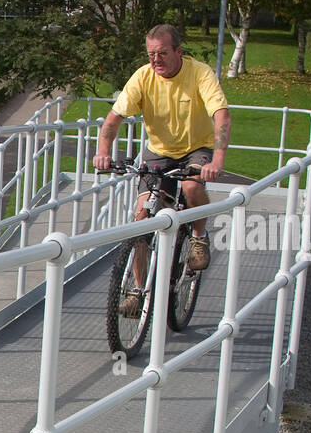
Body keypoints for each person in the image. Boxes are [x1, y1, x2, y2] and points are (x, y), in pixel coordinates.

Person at [93, 24, 231, 318]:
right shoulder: (143, 77)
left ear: (179, 52)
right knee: (142, 217)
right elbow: (114, 117)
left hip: (197, 147)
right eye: (151, 54)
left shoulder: (200, 74)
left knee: (193, 187)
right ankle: (136, 292)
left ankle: (198, 239)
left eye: (162, 53)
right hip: (158, 151)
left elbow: (221, 115)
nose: (156, 60)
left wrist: (217, 159)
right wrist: (103, 152)